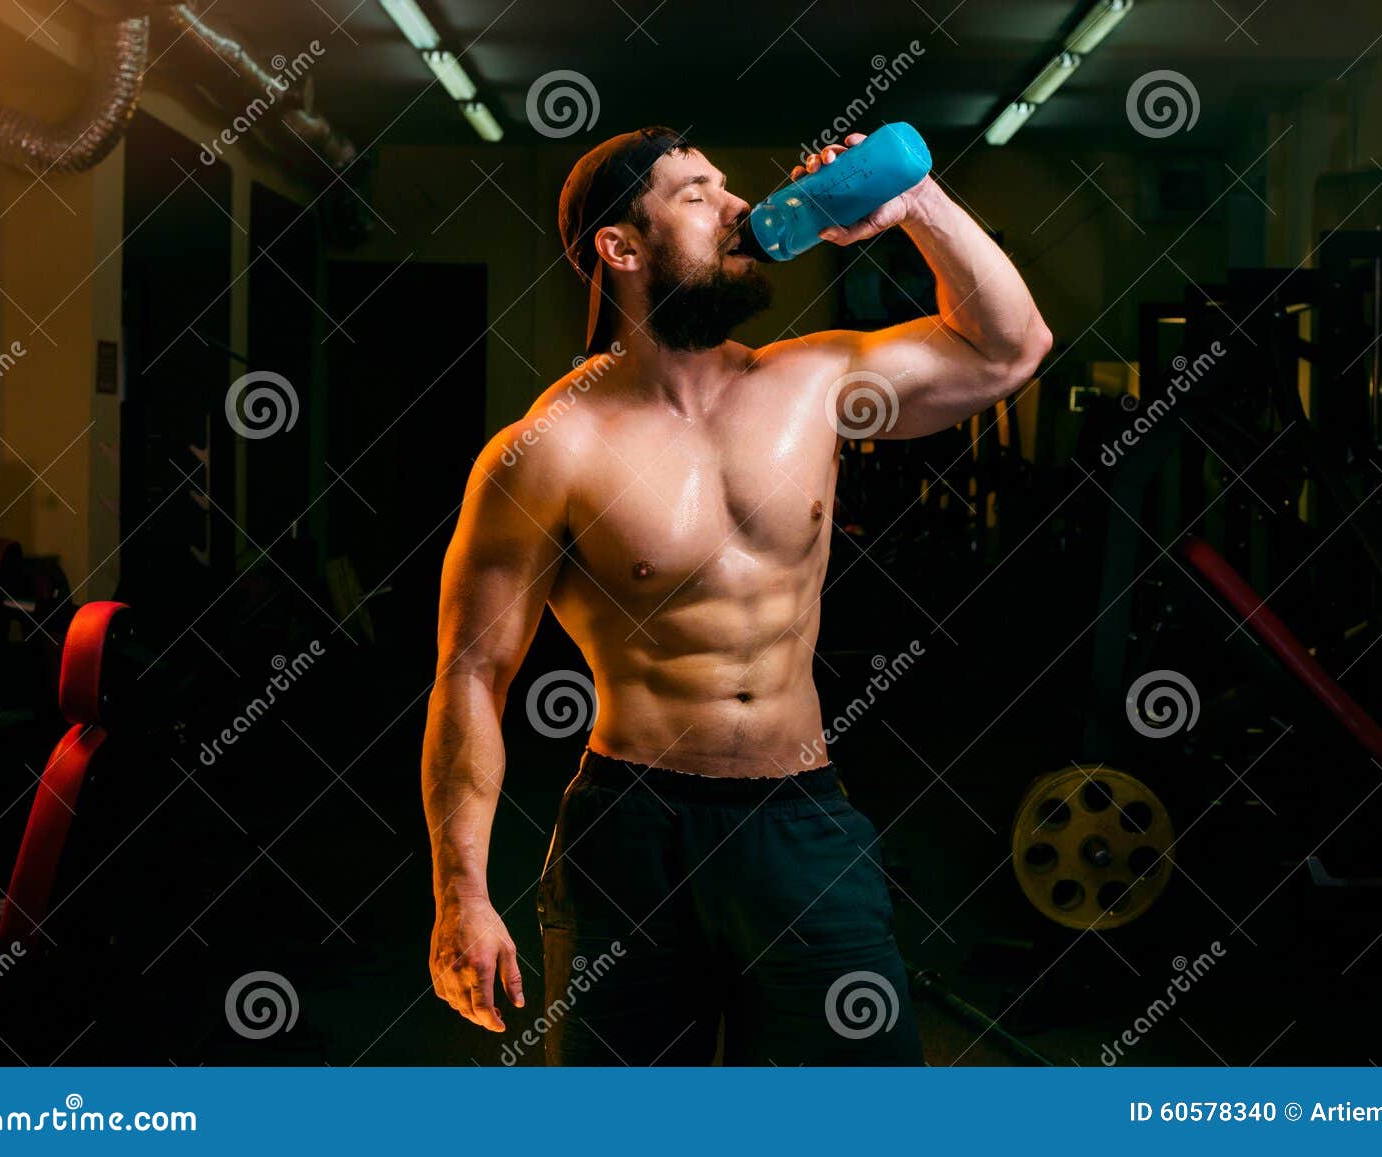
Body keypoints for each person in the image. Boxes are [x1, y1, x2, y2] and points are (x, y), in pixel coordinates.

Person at [423, 125, 1051, 1064]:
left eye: (728, 185)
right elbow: (472, 678)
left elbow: (1011, 347)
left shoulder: (808, 380)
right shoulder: (547, 449)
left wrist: (916, 205)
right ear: (621, 247)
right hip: (633, 834)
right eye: (696, 193)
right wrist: (462, 895)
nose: (738, 209)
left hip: (800, 817)